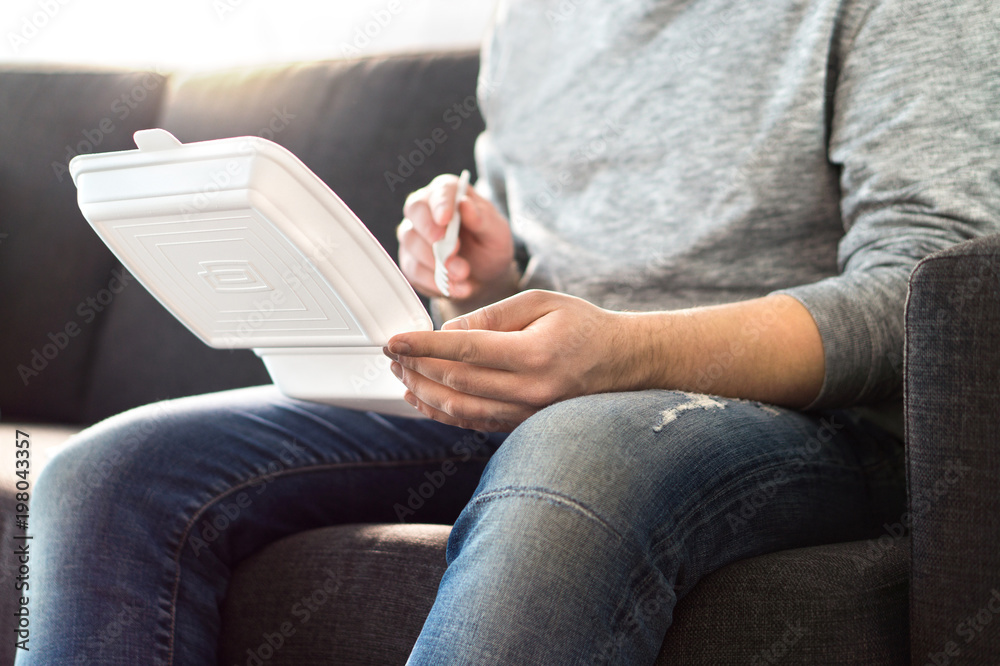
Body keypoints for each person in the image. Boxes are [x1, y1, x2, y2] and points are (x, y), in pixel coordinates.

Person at [20, 0, 999, 664]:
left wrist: (627, 353)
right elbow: (547, 266)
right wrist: (487, 276)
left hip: (797, 415)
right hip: (559, 386)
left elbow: (925, 296)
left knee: (578, 447)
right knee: (109, 471)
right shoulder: (535, 16)